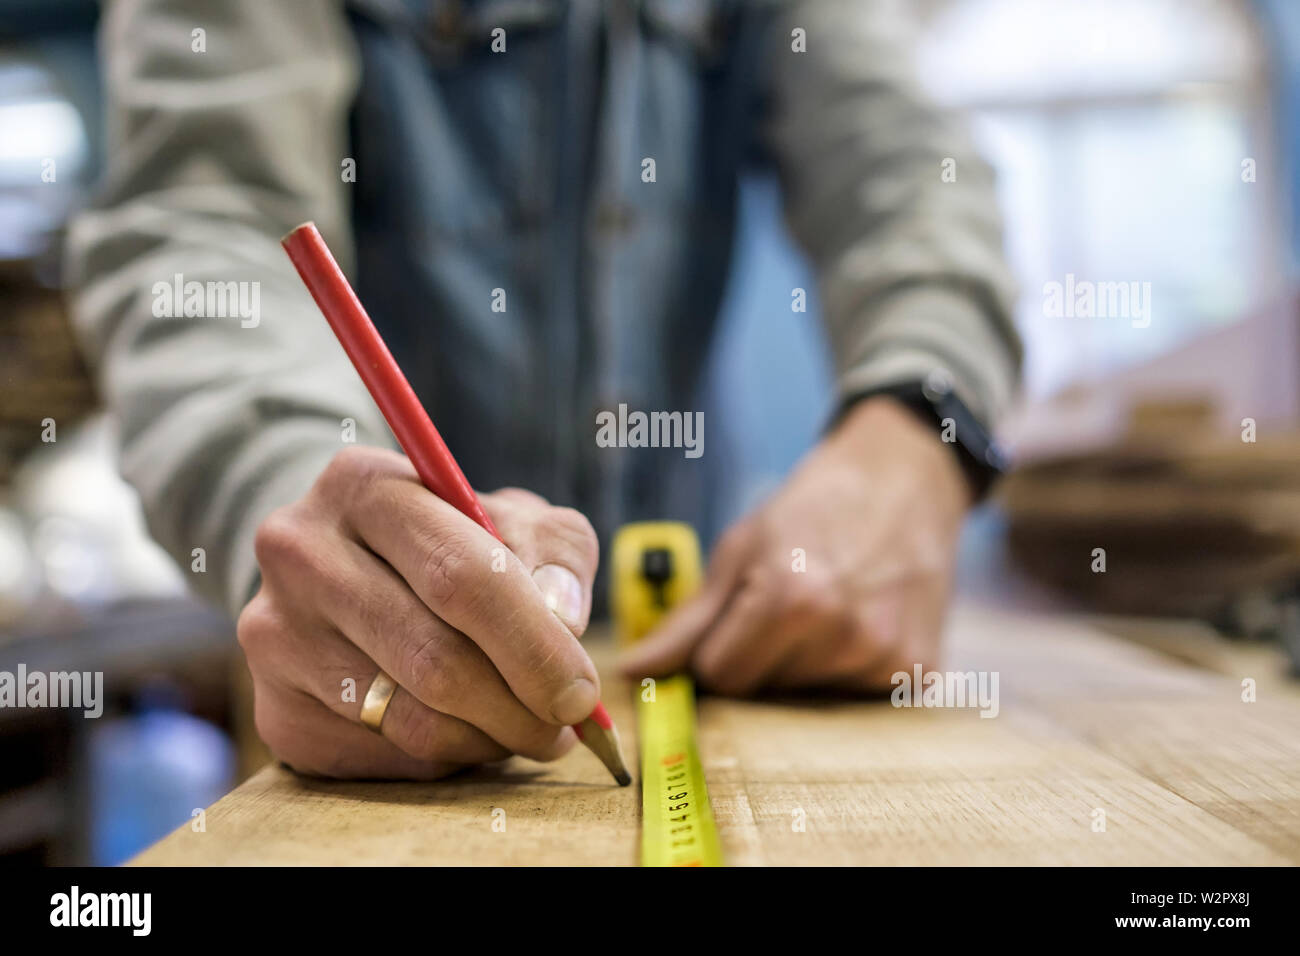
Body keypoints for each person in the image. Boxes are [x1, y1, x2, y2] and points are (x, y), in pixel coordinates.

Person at [67, 0, 1020, 779]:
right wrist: (318, 519)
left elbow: (914, 176)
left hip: (720, 647)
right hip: (357, 707)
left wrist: (916, 430)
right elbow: (201, 229)